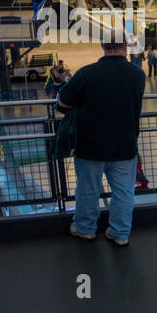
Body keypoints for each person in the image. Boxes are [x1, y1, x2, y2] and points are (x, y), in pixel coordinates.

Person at [57, 38, 146, 246]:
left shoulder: (86, 73)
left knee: (88, 190)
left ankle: (85, 229)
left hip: (90, 145)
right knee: (124, 192)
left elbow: (63, 103)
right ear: (126, 48)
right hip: (125, 144)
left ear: (103, 47)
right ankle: (120, 233)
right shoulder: (137, 74)